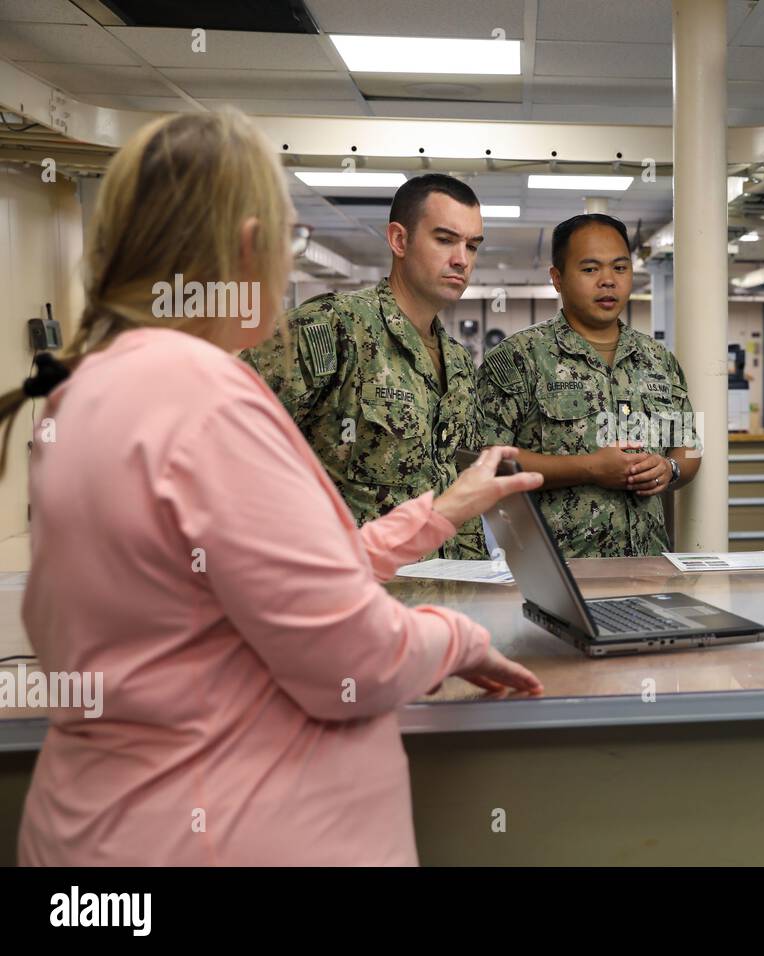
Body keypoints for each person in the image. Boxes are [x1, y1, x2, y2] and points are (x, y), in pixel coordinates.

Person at [0, 110, 543, 866]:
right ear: (249, 243)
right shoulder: (206, 398)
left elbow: (257, 569)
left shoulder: (90, 386)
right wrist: (459, 639)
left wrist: (433, 515)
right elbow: (349, 658)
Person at [244, 173, 489, 558]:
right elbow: (228, 443)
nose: (461, 259)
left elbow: (461, 490)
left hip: (446, 596)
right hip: (350, 592)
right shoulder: (333, 328)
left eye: (472, 246)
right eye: (444, 240)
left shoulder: (458, 362)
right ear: (399, 240)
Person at [476, 214, 701, 558]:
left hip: (648, 567)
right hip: (555, 571)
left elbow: (690, 447)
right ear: (557, 278)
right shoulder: (519, 359)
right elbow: (485, 461)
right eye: (590, 269)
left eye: (620, 268)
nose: (608, 281)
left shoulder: (659, 360)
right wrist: (590, 468)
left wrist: (668, 469)